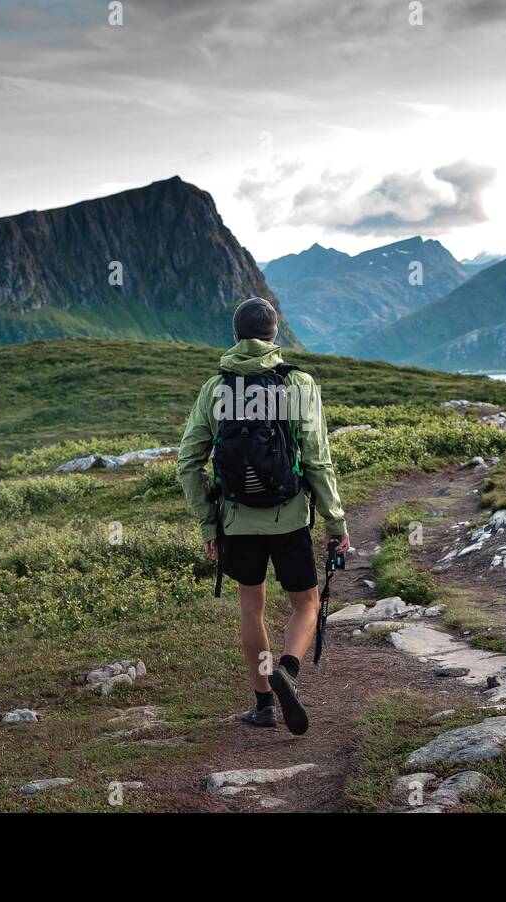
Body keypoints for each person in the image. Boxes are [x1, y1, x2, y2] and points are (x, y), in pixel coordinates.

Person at [177, 297, 349, 736]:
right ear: (275, 335)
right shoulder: (300, 384)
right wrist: (335, 521)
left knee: (252, 609)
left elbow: (187, 462)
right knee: (305, 603)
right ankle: (288, 669)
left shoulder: (215, 389)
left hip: (236, 521)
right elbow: (317, 460)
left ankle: (263, 706)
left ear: (236, 336)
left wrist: (208, 522)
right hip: (290, 519)